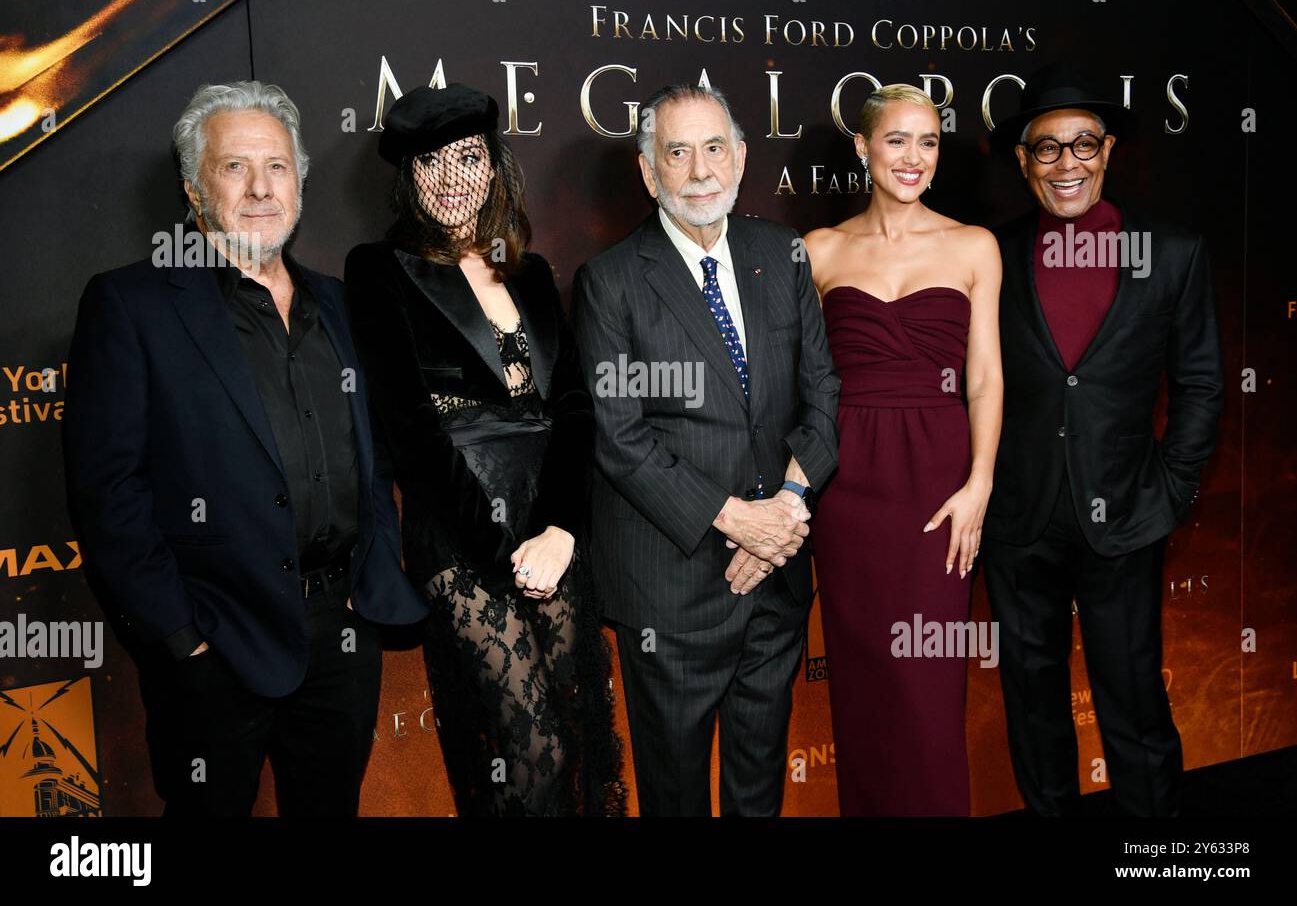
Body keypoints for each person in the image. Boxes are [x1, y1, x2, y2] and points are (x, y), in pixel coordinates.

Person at [62, 80, 428, 816]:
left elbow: (377, 459)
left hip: (340, 631)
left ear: (299, 181)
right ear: (195, 188)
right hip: (214, 641)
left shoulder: (343, 304)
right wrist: (181, 638)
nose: (262, 188)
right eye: (235, 168)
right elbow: (107, 493)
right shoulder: (132, 305)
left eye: (279, 167)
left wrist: (371, 580)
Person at [345, 83, 626, 816]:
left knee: (573, 739)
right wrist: (501, 550)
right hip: (461, 536)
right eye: (429, 163)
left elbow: (570, 409)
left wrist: (561, 529)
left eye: (467, 158)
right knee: (531, 752)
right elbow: (412, 430)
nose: (450, 179)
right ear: (407, 177)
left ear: (495, 165)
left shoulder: (530, 273)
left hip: (552, 532)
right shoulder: (379, 270)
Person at [571, 83, 840, 816]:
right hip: (673, 591)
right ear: (648, 172)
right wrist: (737, 520)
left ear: (742, 158)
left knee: (758, 793)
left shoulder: (780, 253)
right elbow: (622, 440)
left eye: (714, 148)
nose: (699, 171)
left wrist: (785, 509)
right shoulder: (611, 282)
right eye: (677, 152)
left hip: (776, 578)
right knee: (676, 795)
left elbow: (822, 396)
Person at [983, 64, 1224, 815]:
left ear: (1109, 151)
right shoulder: (989, 254)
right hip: (1020, 522)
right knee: (1033, 704)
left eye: (1083, 145)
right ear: (1023, 161)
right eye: (1046, 149)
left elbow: (1202, 383)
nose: (1067, 165)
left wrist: (1172, 490)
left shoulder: (1173, 252)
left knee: (1135, 704)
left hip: (1125, 514)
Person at [805, 84, 1003, 815]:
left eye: (928, 142)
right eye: (897, 140)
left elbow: (984, 377)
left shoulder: (973, 244)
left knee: (926, 691)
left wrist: (979, 482)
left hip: (940, 485)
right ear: (862, 148)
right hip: (849, 484)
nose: (913, 157)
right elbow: (802, 386)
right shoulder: (819, 250)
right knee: (863, 691)